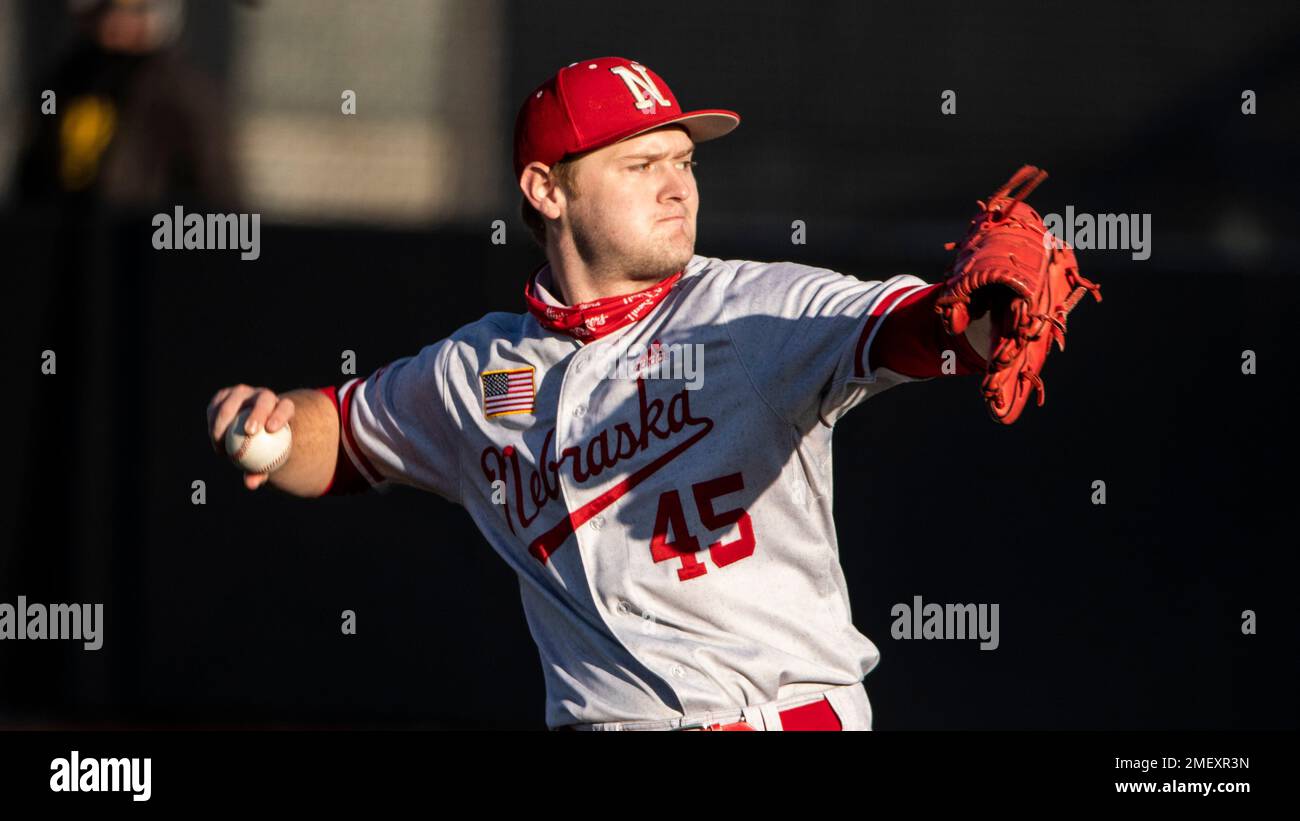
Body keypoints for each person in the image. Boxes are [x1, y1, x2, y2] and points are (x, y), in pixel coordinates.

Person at [206, 56, 1004, 731]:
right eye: (640, 164)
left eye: (682, 161)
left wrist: (982, 320)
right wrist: (276, 421)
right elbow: (342, 439)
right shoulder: (472, 373)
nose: (677, 187)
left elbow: (910, 327)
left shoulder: (754, 313)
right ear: (546, 190)